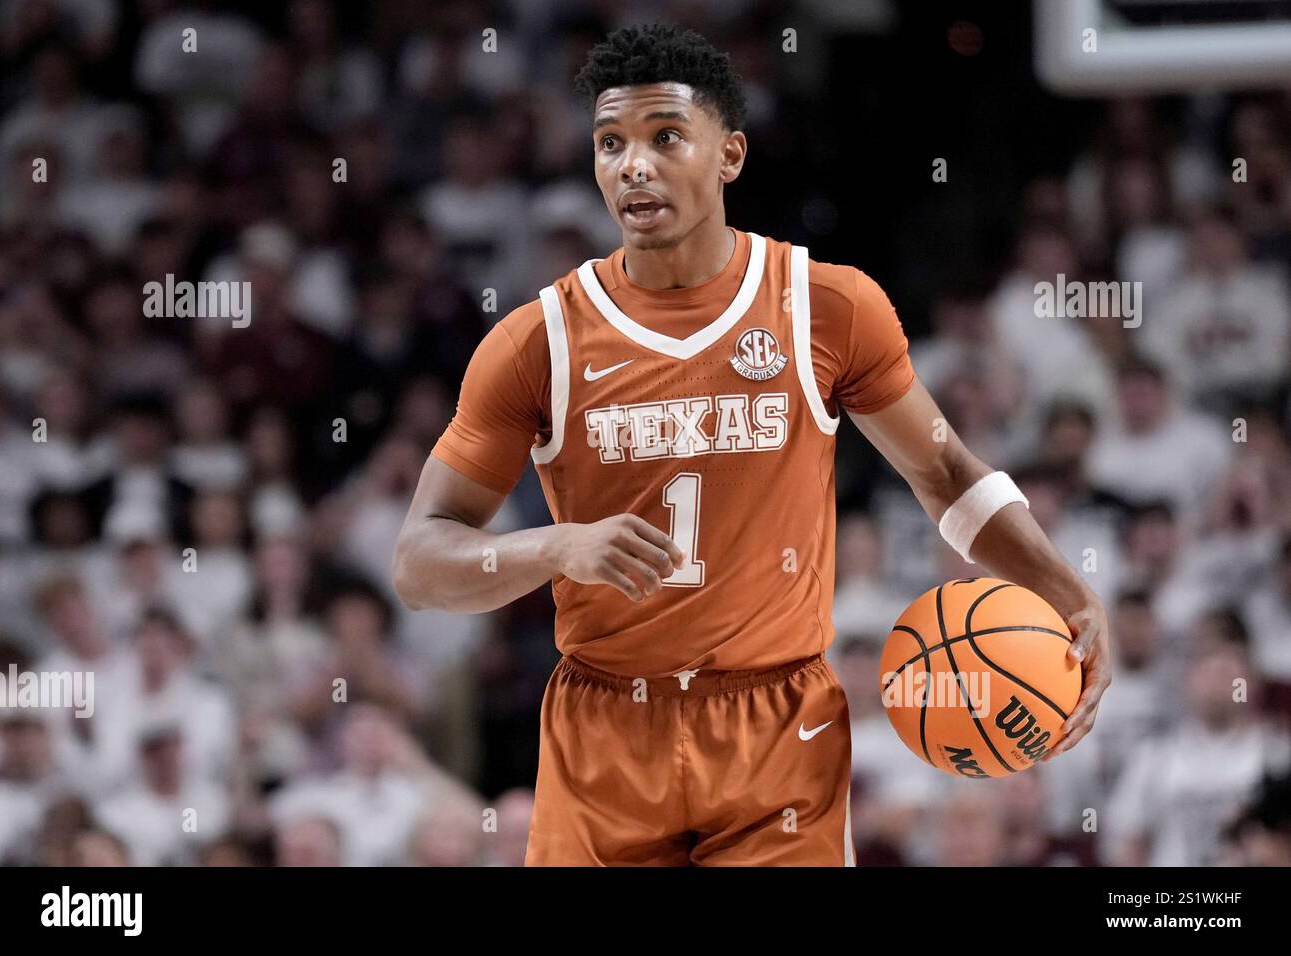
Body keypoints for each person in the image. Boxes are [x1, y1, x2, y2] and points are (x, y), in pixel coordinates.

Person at [391, 23, 1111, 867]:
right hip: (605, 724)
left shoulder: (826, 307)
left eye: (665, 138)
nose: (633, 166)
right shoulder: (536, 341)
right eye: (610, 143)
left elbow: (945, 470)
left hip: (779, 726)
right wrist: (557, 546)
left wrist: (1064, 589)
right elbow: (419, 562)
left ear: (729, 155)